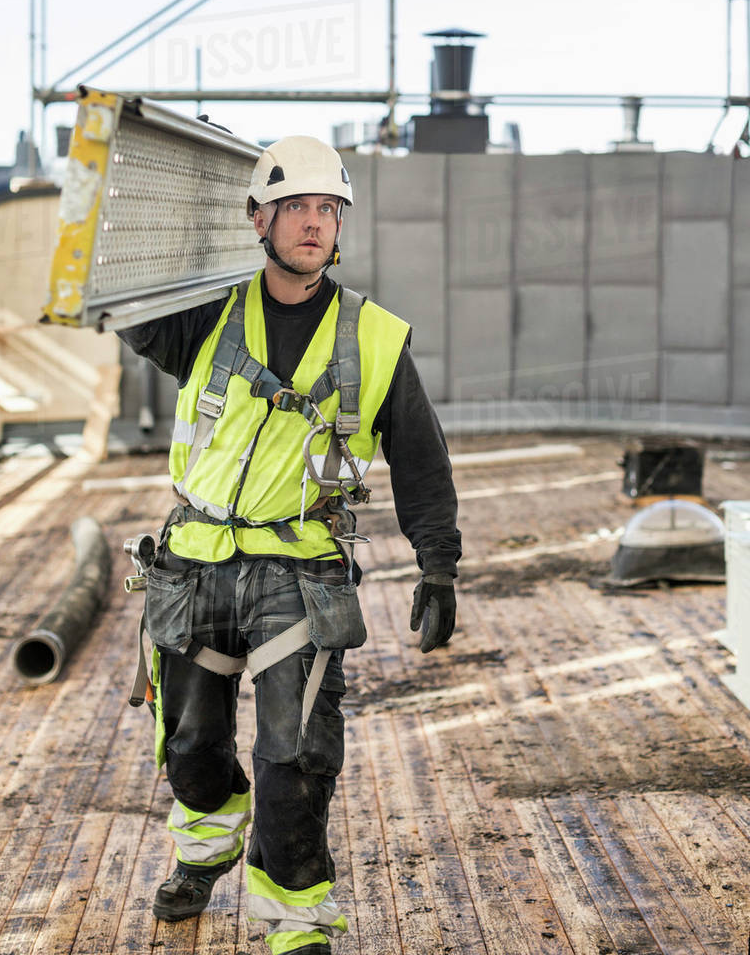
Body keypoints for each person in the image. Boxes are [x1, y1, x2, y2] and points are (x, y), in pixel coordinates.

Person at [119, 134, 461, 955]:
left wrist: (438, 562)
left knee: (296, 758)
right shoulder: (203, 315)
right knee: (193, 748)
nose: (313, 223)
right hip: (194, 568)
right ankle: (205, 853)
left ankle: (297, 921)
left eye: (327, 209)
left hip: (300, 575)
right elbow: (125, 296)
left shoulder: (375, 339)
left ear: (340, 226)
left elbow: (420, 456)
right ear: (258, 218)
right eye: (296, 207)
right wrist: (161, 178)